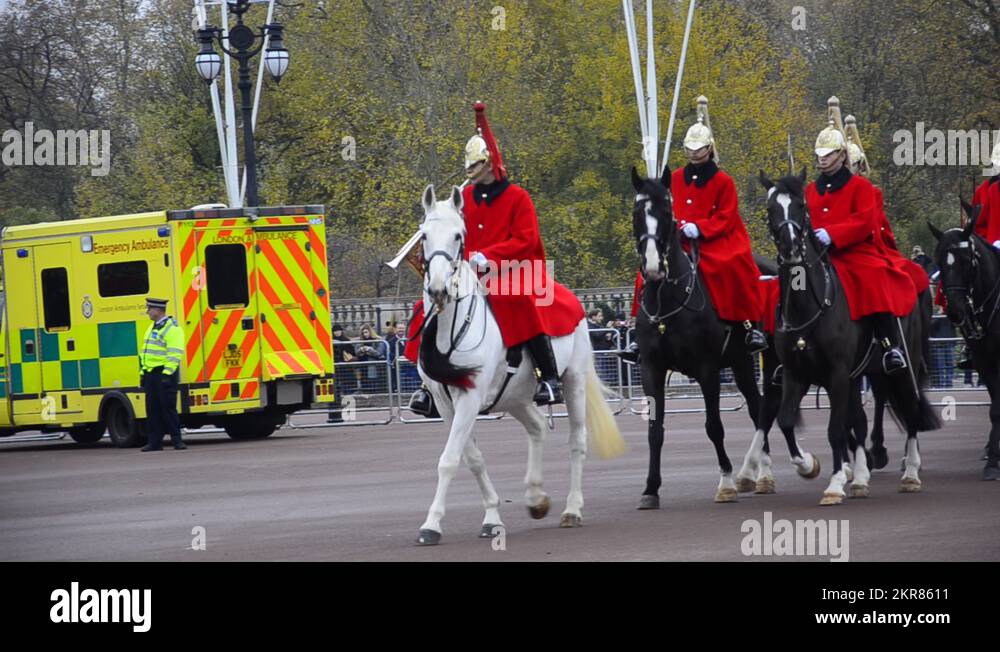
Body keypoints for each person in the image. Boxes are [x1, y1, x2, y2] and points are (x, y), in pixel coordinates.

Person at [406, 102, 585, 415]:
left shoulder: (518, 197)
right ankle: (428, 383)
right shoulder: (464, 201)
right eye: (469, 168)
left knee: (517, 300)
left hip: (516, 268)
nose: (470, 173)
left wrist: (486, 257)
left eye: (475, 166)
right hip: (470, 271)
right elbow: (452, 237)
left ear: (490, 164)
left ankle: (547, 377)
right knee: (428, 304)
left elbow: (526, 241)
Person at [621, 99, 767, 362]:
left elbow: (726, 215)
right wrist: (676, 226)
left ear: (709, 149)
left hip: (717, 238)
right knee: (647, 268)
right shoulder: (675, 177)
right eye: (690, 148)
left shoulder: (723, 181)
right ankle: (637, 329)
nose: (694, 153)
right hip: (681, 239)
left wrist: (699, 227)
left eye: (699, 148)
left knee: (733, 266)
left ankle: (749, 325)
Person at [807, 121, 915, 374]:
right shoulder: (811, 189)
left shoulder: (862, 187)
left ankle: (889, 345)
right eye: (819, 155)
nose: (822, 160)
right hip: (818, 255)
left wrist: (832, 234)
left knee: (875, 276)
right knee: (793, 280)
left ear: (841, 155)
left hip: (853, 252)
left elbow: (865, 222)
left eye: (829, 154)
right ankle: (785, 347)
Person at [139, 297, 186, 451]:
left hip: (165, 374)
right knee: (152, 410)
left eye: (150, 309)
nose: (147, 312)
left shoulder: (172, 328)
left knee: (168, 409)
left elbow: (175, 352)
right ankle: (155, 442)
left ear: (158, 311)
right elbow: (146, 353)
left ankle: (177, 440)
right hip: (151, 374)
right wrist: (143, 373)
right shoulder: (152, 327)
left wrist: (166, 374)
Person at [328, 324, 354, 423]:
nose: (337, 332)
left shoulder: (346, 340)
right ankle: (339, 415)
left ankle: (349, 415)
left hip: (346, 369)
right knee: (337, 391)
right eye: (335, 331)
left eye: (339, 330)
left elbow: (352, 352)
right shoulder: (331, 341)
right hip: (336, 369)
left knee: (347, 391)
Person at [354, 323, 388, 394]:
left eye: (366, 332)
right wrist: (361, 350)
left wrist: (370, 350)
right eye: (363, 333)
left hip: (376, 367)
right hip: (364, 367)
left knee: (375, 384)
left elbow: (379, 353)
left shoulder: (378, 340)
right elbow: (356, 352)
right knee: (366, 385)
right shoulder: (360, 341)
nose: (365, 334)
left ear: (370, 331)